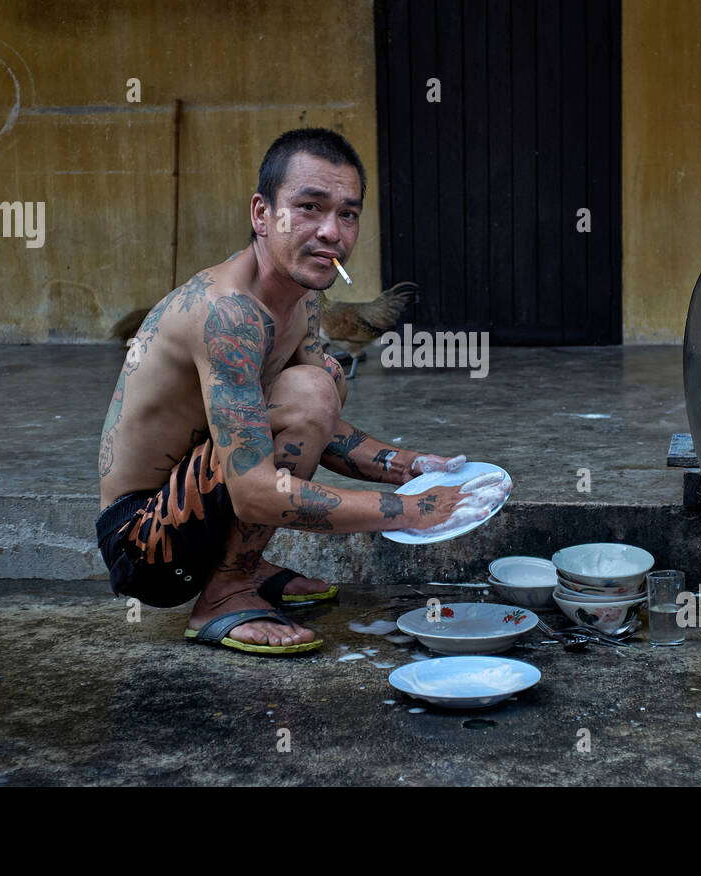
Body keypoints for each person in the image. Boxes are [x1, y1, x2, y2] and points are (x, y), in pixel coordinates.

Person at [95, 128, 510, 654]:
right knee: (313, 387)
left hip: (194, 508)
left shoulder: (302, 293)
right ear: (261, 215)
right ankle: (223, 593)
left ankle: (238, 564)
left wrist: (408, 467)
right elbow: (255, 491)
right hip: (146, 546)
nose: (331, 232)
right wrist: (407, 511)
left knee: (323, 382)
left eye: (348, 214)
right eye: (309, 207)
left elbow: (315, 424)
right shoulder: (229, 313)